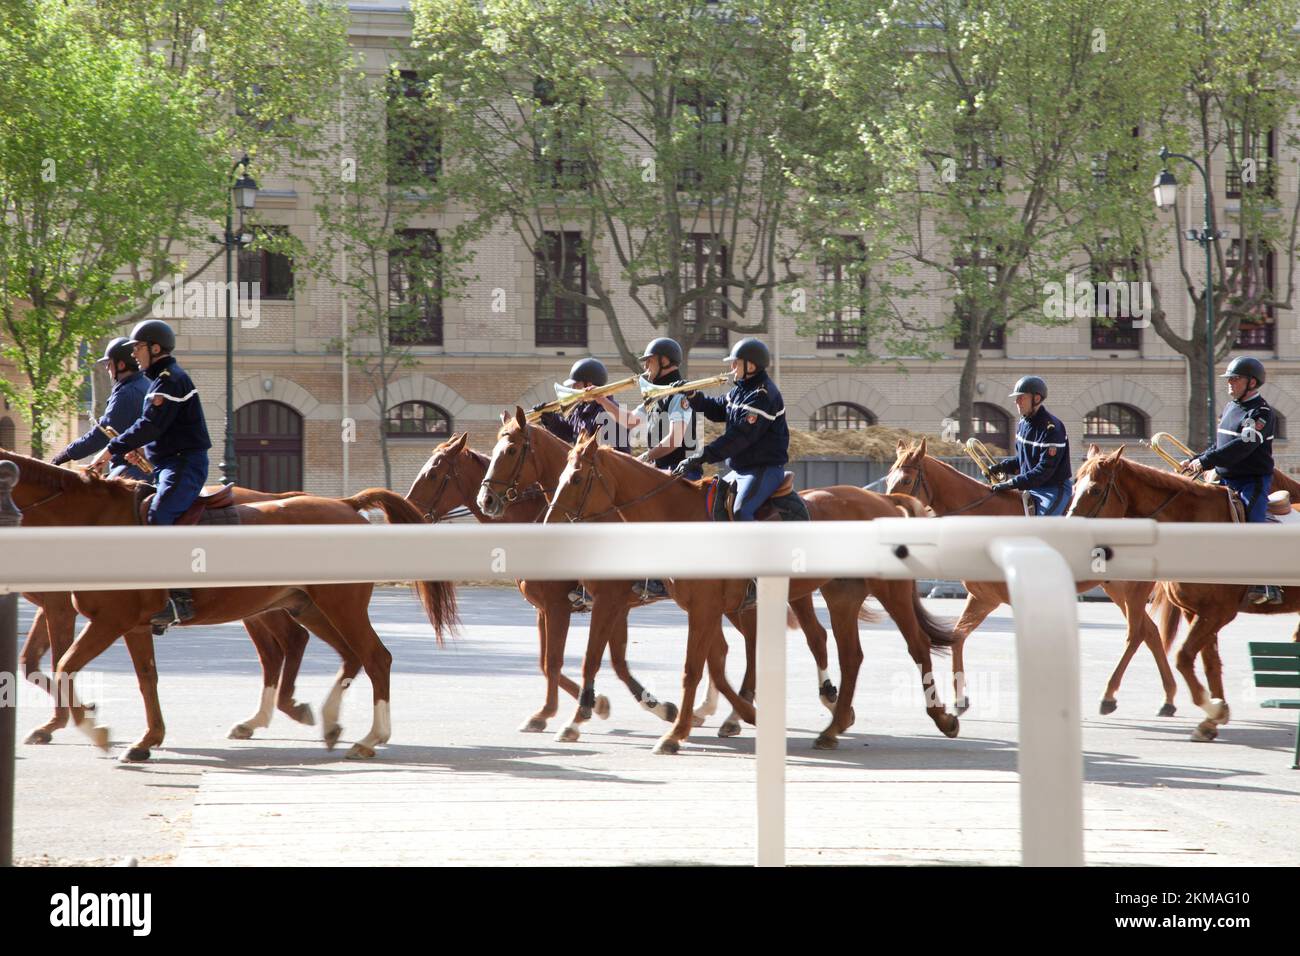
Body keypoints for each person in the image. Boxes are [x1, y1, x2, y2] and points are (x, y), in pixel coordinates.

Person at [106, 319, 213, 631]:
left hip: (185, 465)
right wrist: (141, 451)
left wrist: (112, 449)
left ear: (154, 348)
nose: (135, 353)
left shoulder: (169, 380)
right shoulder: (157, 381)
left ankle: (178, 599)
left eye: (138, 347)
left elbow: (151, 425)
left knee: (159, 514)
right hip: (170, 463)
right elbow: (158, 429)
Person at [675, 337, 791, 610]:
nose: (732, 368)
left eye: (736, 363)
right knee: (709, 503)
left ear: (751, 365)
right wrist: (693, 396)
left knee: (741, 511)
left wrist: (702, 456)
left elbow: (740, 438)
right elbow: (718, 410)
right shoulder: (741, 390)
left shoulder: (763, 394)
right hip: (739, 468)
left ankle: (758, 577)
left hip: (763, 468)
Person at [588, 337, 699, 601]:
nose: (646, 366)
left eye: (649, 361)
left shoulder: (677, 394)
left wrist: (645, 457)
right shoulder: (654, 395)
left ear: (664, 361)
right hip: (658, 470)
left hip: (681, 470)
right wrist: (602, 400)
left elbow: (675, 438)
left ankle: (661, 577)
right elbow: (629, 421)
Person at [1180, 356, 1281, 605]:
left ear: (1252, 382)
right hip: (1224, 478)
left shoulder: (1262, 414)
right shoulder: (1230, 408)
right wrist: (1197, 458)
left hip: (1251, 480)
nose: (1230, 384)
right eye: (1229, 379)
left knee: (1252, 521)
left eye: (1235, 379)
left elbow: (1242, 447)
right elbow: (1220, 443)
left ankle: (1265, 582)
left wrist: (1205, 462)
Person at [51, 338, 151, 481]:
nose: (106, 368)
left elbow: (102, 434)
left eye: (108, 364)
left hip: (134, 467)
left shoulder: (127, 393)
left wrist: (66, 454)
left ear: (121, 365)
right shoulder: (144, 384)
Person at [990, 375, 1073, 517]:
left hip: (1052, 489)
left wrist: (1012, 483)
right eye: (1016, 398)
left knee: (1040, 526)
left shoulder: (1052, 429)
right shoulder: (1023, 424)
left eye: (1021, 397)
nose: (1017, 401)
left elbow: (1044, 470)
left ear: (1037, 399)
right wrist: (1001, 467)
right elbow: (1023, 459)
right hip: (1030, 486)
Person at [538, 357, 630, 453]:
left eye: (576, 384)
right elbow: (569, 433)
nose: (572, 388)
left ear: (588, 385)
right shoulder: (580, 409)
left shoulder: (609, 413)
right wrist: (550, 418)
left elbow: (608, 456)